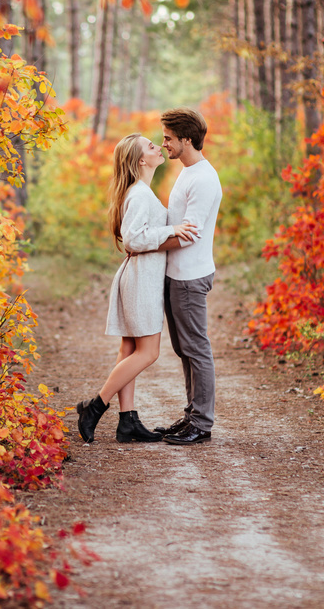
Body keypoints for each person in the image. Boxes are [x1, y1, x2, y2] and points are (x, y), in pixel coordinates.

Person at [75, 134, 198, 443]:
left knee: (129, 350)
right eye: (151, 146)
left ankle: (128, 421)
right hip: (141, 279)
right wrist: (172, 229)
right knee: (149, 352)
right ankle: (95, 406)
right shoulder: (140, 194)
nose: (158, 147)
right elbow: (132, 239)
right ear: (142, 160)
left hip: (141, 276)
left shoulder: (141, 191)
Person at [151, 107, 223, 445]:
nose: (164, 144)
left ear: (187, 139)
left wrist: (147, 246)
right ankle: (191, 415)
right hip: (176, 274)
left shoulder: (204, 178)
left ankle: (202, 424)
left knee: (196, 348)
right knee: (184, 350)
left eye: (168, 138)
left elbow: (188, 234)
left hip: (190, 278)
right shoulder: (187, 171)